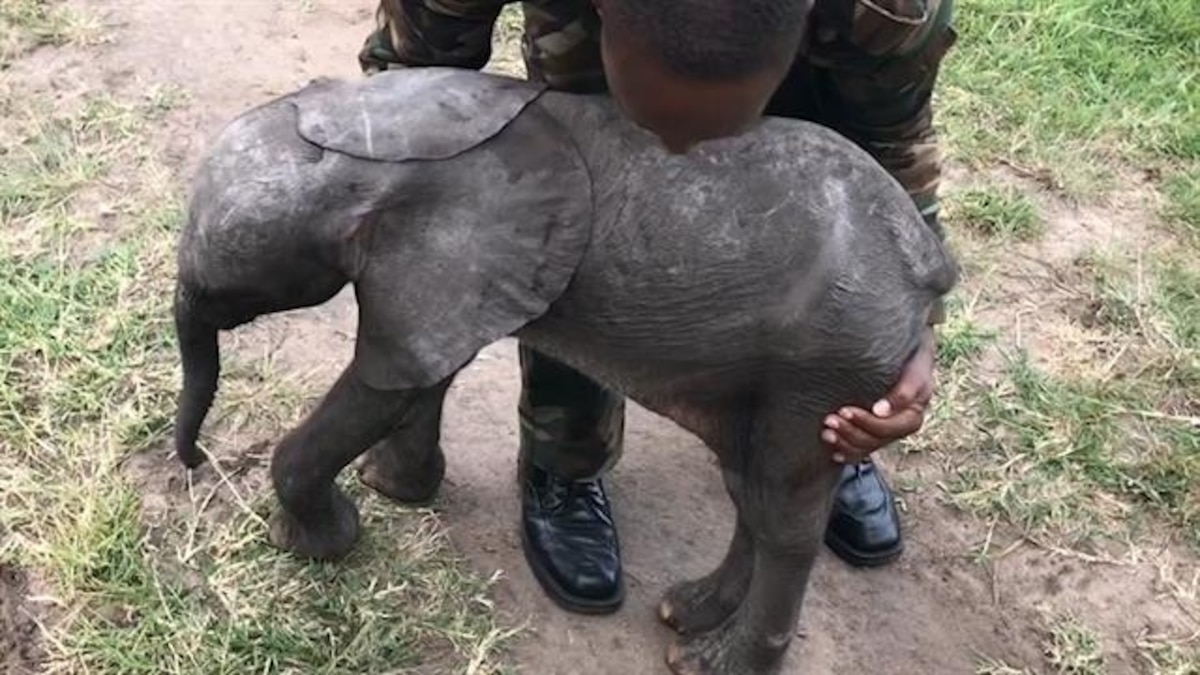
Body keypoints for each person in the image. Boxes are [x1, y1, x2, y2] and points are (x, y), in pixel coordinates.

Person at [357, 0, 956, 614]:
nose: (684, 163)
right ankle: (567, 453)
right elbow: (410, 74)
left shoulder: (884, 11)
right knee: (570, 212)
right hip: (595, 67)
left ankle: (810, 426)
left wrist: (908, 329)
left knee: (817, 211)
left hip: (800, 75)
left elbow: (892, 137)